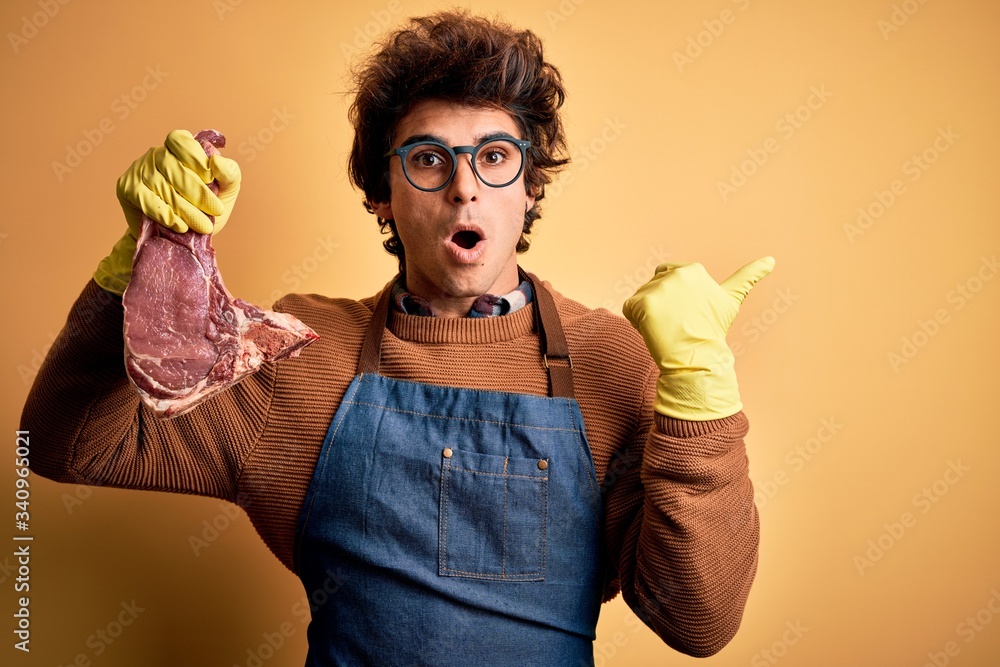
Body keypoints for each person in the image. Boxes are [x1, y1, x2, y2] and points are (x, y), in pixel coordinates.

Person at [21, 9, 770, 666]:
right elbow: (64, 444)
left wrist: (701, 385)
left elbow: (697, 620)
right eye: (428, 158)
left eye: (495, 156)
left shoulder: (611, 360)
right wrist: (145, 263)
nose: (465, 186)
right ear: (382, 194)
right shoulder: (300, 357)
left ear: (531, 185)